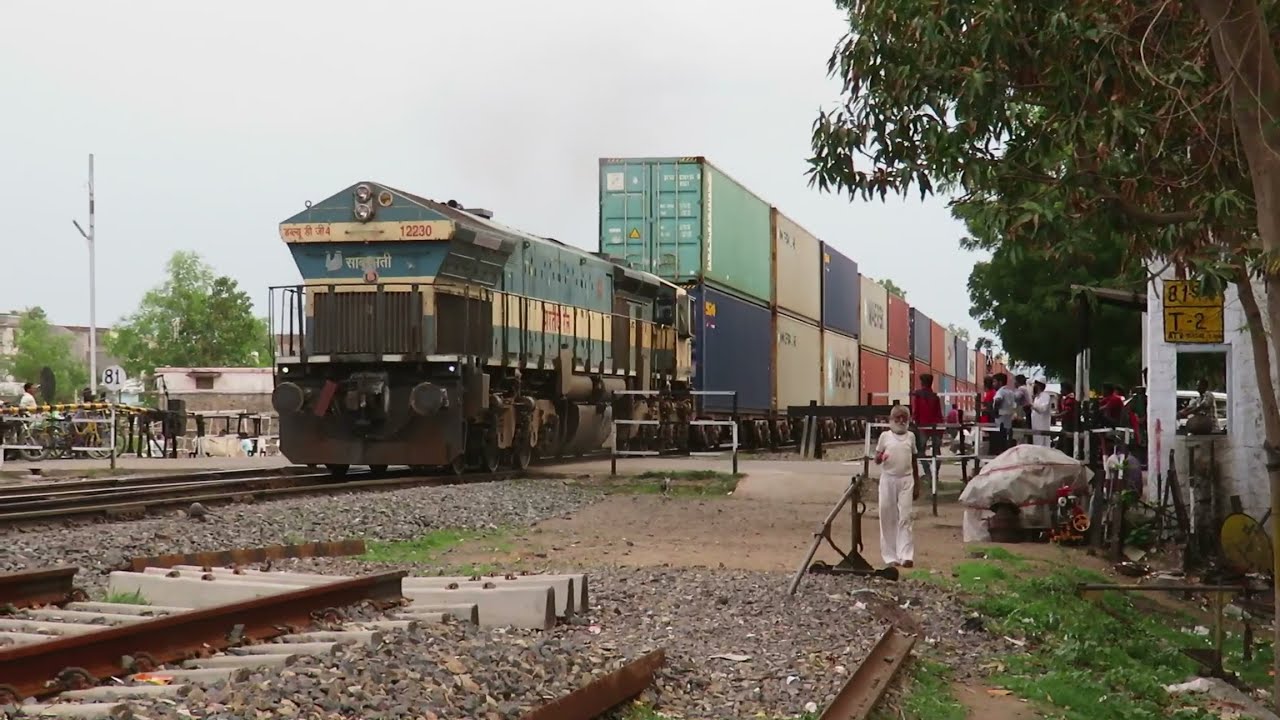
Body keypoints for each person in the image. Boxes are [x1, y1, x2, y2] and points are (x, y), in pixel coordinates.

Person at [874, 404, 919, 568]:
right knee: (887, 516)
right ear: (891, 420)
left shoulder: (911, 437)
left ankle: (906, 555)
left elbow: (914, 460)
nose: (901, 421)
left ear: (908, 420)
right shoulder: (885, 437)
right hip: (888, 480)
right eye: (897, 417)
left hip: (906, 480)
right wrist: (881, 457)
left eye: (904, 418)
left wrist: (917, 482)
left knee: (905, 517)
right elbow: (876, 459)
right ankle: (889, 556)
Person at [909, 373, 944, 480]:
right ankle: (935, 475)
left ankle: (928, 473)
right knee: (937, 452)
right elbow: (939, 413)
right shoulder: (935, 397)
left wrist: (914, 422)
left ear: (922, 382)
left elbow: (916, 412)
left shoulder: (918, 396)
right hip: (935, 427)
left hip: (923, 427)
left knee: (920, 451)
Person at [991, 373, 1020, 454]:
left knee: (998, 448)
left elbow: (998, 400)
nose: (993, 384)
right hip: (1008, 424)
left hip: (1000, 424)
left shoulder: (1000, 392)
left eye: (994, 382)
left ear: (1000, 382)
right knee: (1007, 448)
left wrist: (995, 412)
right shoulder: (1010, 392)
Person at [1030, 380, 1052, 447]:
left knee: (1042, 445)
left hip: (1042, 426)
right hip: (1036, 426)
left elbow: (1042, 409)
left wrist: (1031, 405)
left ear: (1039, 386)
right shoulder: (1037, 397)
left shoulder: (1045, 396)